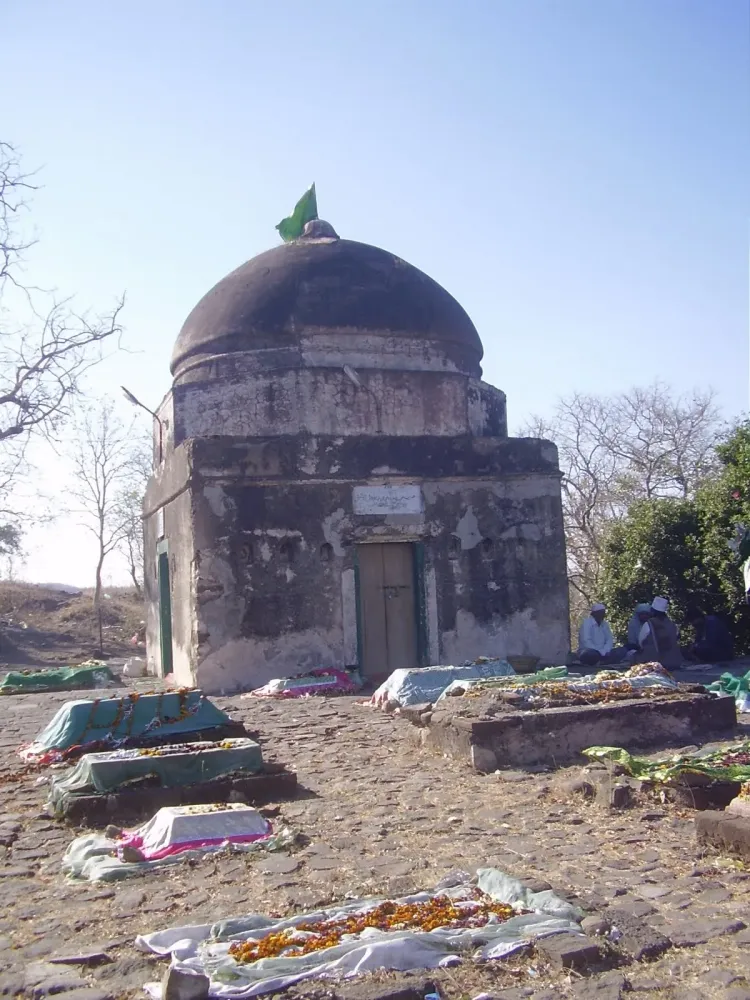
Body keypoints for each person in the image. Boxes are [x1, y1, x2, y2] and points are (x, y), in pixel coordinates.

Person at [639, 596, 682, 669]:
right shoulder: (672, 624)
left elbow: (641, 642)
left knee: (633, 656)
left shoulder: (649, 624)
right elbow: (677, 637)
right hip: (674, 662)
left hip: (655, 661)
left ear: (652, 611)